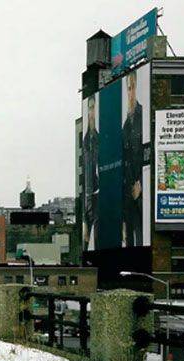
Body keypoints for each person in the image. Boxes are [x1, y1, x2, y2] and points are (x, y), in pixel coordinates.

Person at [122, 70, 144, 247]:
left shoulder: (143, 115)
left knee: (141, 236)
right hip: (127, 191)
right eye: (128, 88)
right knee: (129, 238)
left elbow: (149, 151)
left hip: (141, 190)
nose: (130, 92)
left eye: (133, 87)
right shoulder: (125, 124)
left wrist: (141, 183)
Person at [82, 95, 100, 250]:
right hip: (87, 198)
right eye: (89, 107)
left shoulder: (100, 139)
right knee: (86, 243)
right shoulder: (86, 139)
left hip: (97, 196)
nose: (91, 111)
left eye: (93, 107)